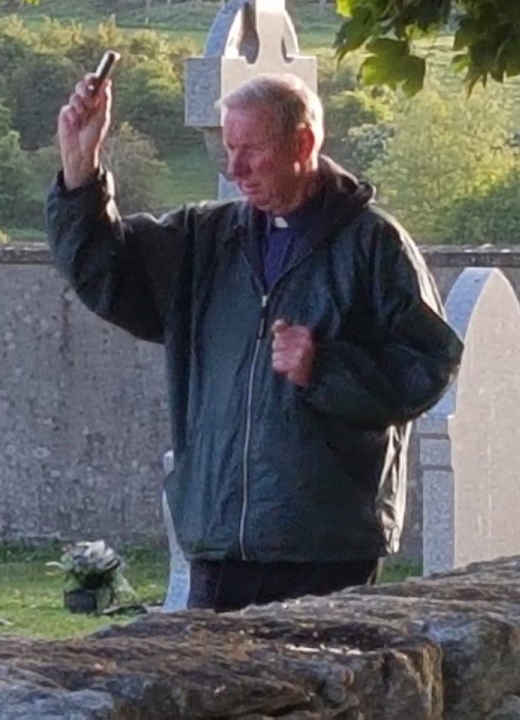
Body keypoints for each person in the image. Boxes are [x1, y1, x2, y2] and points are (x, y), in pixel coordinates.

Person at [46, 70, 463, 612]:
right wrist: (81, 171)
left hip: (323, 547)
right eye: (229, 148)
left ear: (304, 143)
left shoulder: (374, 245)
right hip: (220, 542)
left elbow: (426, 364)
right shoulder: (204, 239)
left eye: (252, 150)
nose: (234, 168)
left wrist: (325, 369)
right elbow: (108, 274)